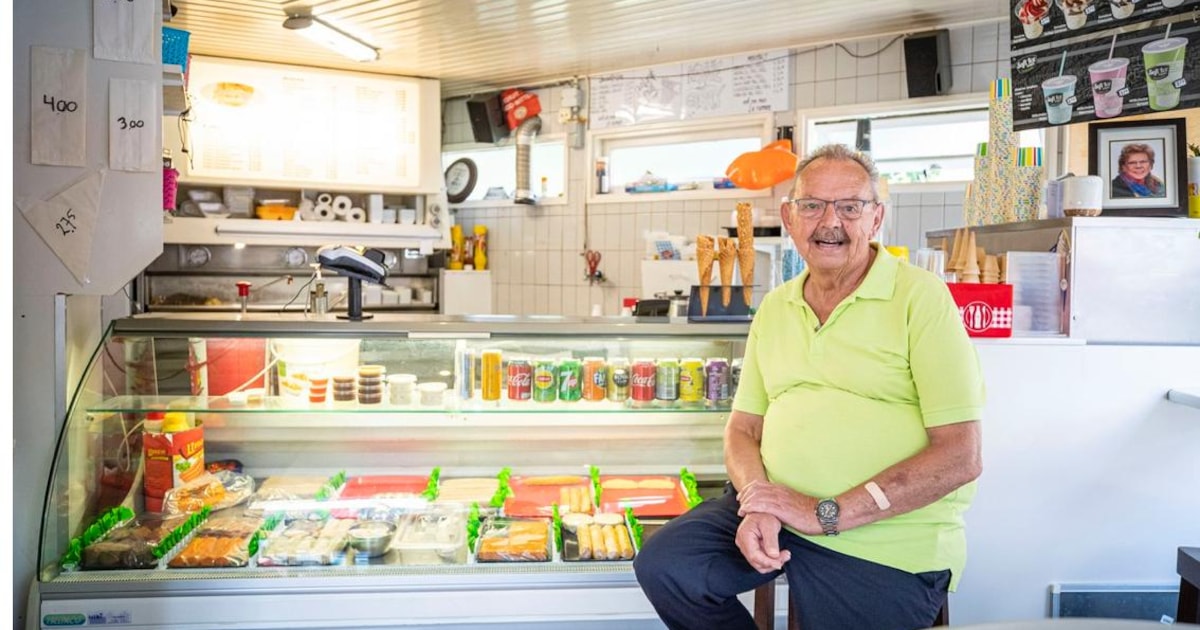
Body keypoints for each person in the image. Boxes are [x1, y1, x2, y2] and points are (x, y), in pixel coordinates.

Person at [634, 144, 985, 630]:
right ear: (789, 218)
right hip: (778, 515)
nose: (830, 222)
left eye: (850, 207)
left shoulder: (921, 297)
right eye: (813, 205)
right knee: (669, 567)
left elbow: (960, 456)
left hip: (884, 538)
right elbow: (743, 429)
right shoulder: (776, 306)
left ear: (876, 217)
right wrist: (758, 499)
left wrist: (824, 513)